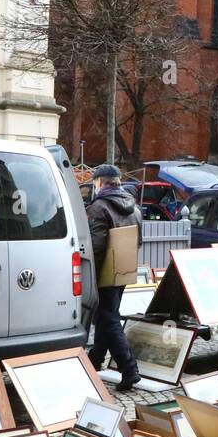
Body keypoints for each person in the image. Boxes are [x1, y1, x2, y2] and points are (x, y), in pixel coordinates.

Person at [86, 164, 142, 390]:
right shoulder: (134, 208)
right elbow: (137, 242)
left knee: (108, 319)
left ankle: (129, 369)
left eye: (94, 183)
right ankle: (94, 361)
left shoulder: (99, 207)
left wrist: (90, 276)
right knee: (106, 316)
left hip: (104, 273)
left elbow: (97, 248)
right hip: (124, 270)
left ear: (100, 182)